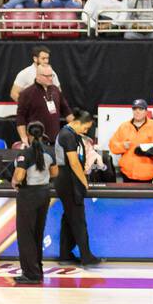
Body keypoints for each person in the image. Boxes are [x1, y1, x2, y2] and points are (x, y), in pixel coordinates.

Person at [12, 121, 58, 284]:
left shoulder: (25, 154)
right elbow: (55, 172)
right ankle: (37, 269)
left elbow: (19, 177)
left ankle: (30, 274)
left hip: (28, 195)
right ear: (43, 133)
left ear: (29, 135)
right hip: (44, 194)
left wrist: (14, 182)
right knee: (38, 233)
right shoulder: (49, 151)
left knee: (26, 235)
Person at [55, 108, 100, 264]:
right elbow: (73, 162)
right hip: (68, 180)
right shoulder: (67, 135)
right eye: (85, 127)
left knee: (69, 218)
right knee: (78, 219)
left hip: (69, 179)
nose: (86, 130)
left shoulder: (74, 134)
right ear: (77, 122)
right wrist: (84, 182)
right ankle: (86, 256)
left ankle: (65, 254)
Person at [108, 99, 153, 183]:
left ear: (146, 111)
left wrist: (151, 151)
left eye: (141, 109)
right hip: (127, 174)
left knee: (146, 196)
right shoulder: (124, 126)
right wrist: (123, 146)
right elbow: (112, 145)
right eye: (135, 109)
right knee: (128, 196)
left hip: (148, 175)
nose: (137, 112)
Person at [16, 61, 70, 145]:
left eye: (51, 75)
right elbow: (20, 117)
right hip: (37, 140)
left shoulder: (55, 90)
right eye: (46, 76)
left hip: (55, 139)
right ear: (38, 76)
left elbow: (67, 111)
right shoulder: (27, 93)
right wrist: (24, 138)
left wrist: (76, 130)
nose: (50, 78)